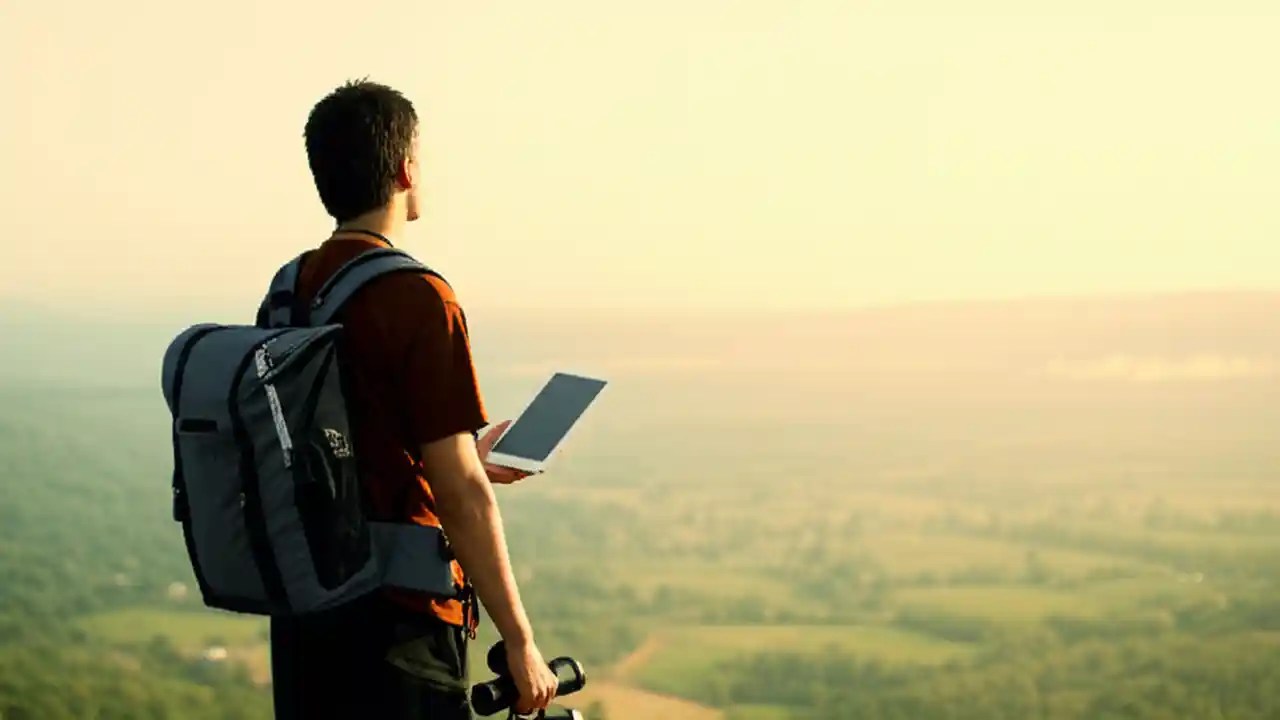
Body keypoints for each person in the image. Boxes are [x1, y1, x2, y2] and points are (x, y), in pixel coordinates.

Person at [268, 79, 559, 720]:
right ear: (405, 169)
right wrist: (521, 642)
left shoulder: (291, 290)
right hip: (399, 626)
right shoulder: (420, 298)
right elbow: (461, 495)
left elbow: (337, 450)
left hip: (304, 614)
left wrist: (461, 454)